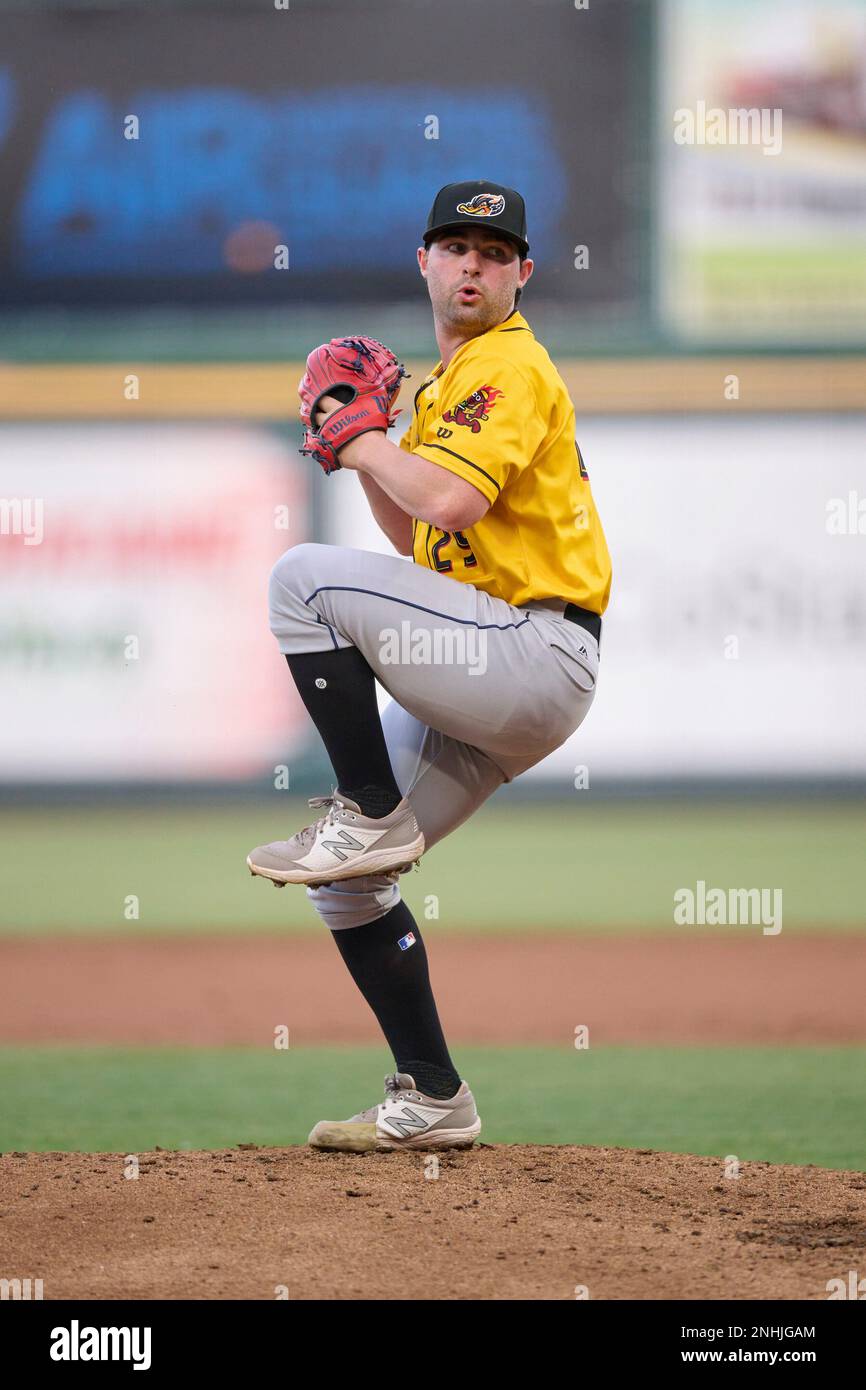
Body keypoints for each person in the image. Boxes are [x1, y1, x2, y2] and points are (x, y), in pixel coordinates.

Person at [247, 180, 612, 1152]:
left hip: (530, 647)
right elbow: (421, 542)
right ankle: (433, 1096)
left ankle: (366, 806)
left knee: (301, 580)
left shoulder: (508, 368)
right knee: (350, 888)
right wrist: (371, 448)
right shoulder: (447, 388)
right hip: (486, 663)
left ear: (522, 274)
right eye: (455, 246)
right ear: (423, 260)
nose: (471, 265)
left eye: (494, 254)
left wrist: (360, 434)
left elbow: (448, 502)